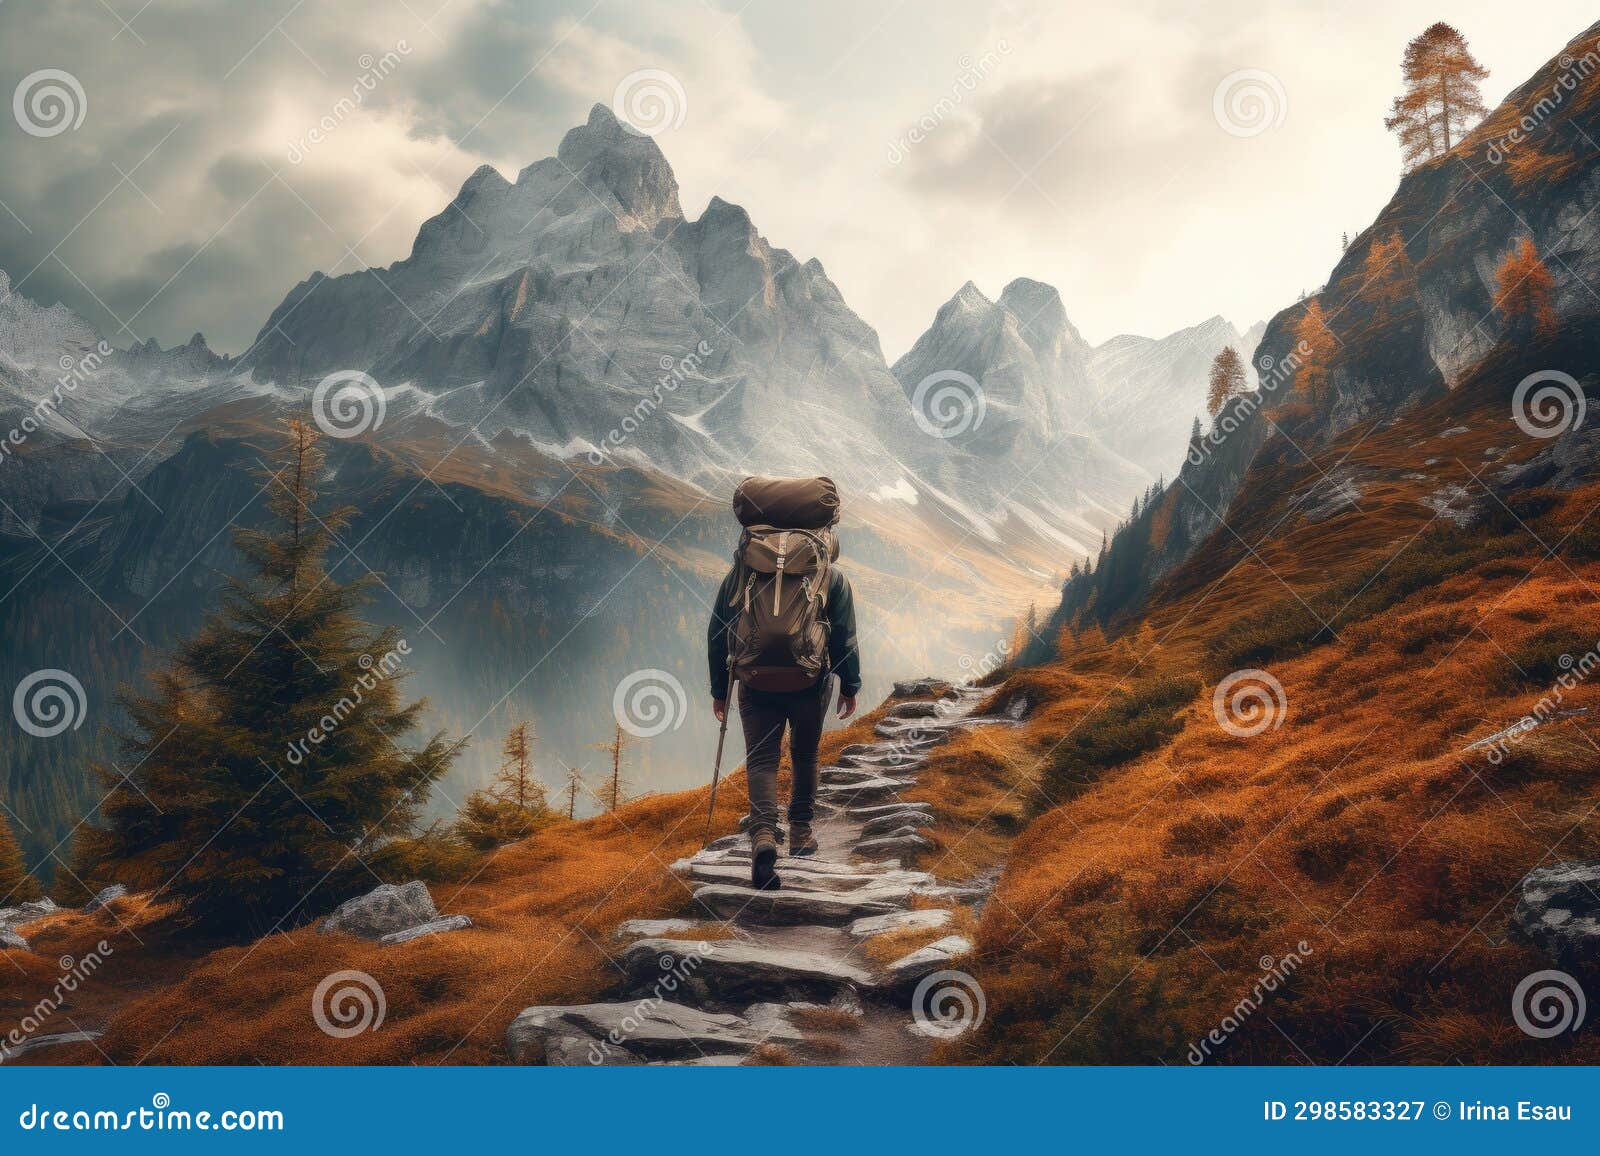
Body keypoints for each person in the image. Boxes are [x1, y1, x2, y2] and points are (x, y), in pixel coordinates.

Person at [707, 540, 860, 891]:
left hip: (754, 681)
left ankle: (763, 835)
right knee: (805, 755)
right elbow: (843, 637)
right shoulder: (830, 576)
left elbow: (718, 631)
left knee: (762, 760)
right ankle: (802, 833)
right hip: (809, 681)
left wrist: (720, 689)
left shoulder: (743, 572)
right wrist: (849, 684)